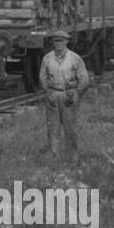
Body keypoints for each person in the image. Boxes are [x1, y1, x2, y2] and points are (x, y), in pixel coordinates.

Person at [39, 30, 90, 162]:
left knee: (70, 129)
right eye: (56, 41)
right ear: (53, 43)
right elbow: (42, 77)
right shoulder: (47, 58)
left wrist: (76, 94)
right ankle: (54, 157)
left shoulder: (75, 58)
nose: (58, 44)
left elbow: (84, 80)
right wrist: (48, 92)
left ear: (67, 42)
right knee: (52, 129)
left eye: (61, 41)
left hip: (69, 95)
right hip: (53, 95)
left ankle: (72, 158)